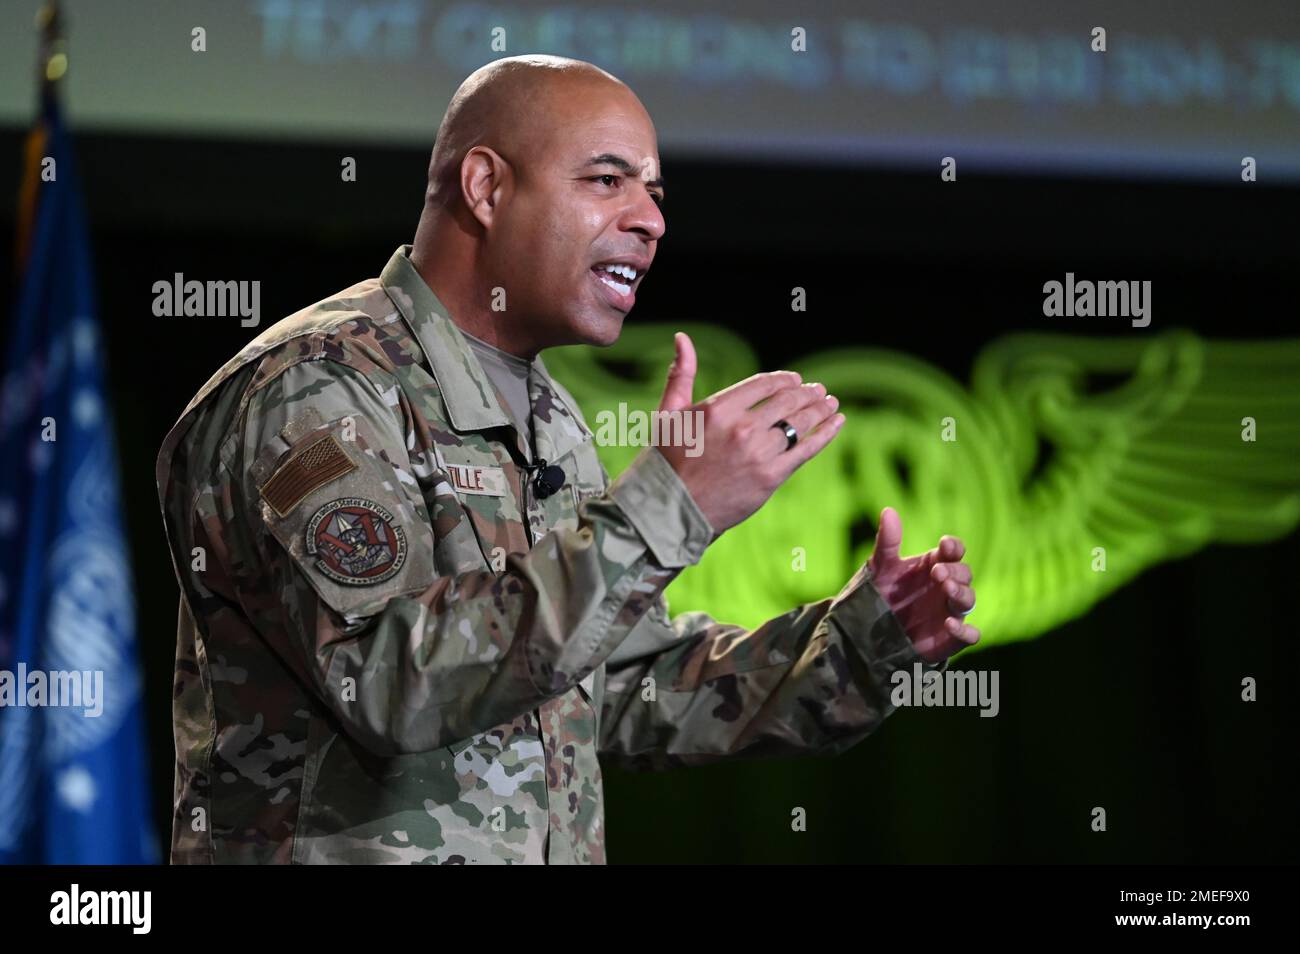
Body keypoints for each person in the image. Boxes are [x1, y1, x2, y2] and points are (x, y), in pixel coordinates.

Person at [155, 54, 978, 864]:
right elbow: (385, 680)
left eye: (654, 193)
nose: (651, 220)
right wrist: (669, 509)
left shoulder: (548, 411)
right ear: (486, 187)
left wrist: (862, 641)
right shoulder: (318, 385)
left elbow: (609, 690)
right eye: (607, 180)